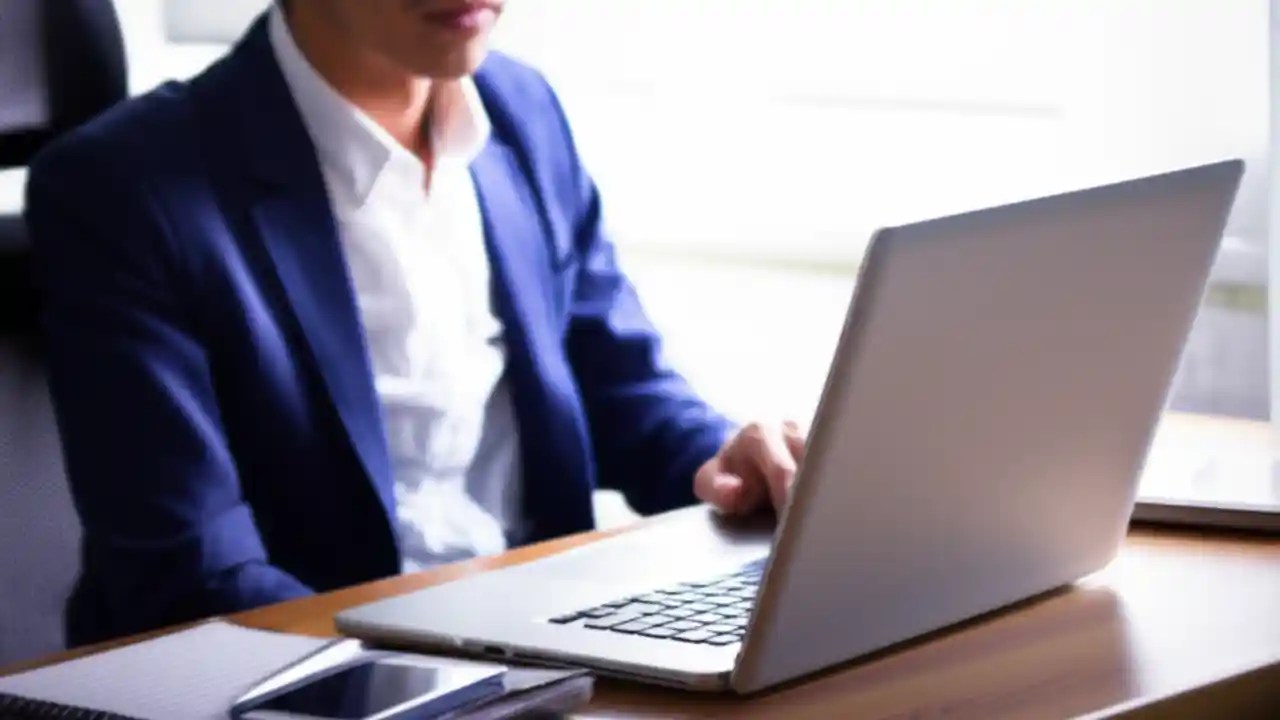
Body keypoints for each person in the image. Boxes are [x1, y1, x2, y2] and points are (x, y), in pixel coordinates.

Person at [26, 0, 806, 646]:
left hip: (539, 652)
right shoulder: (124, 189)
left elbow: (622, 390)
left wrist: (735, 464)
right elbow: (192, 571)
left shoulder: (521, 112)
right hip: (311, 677)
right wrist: (451, 667)